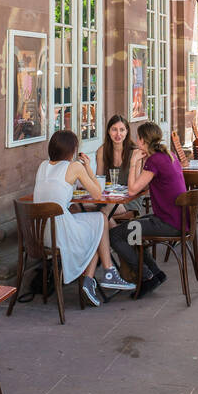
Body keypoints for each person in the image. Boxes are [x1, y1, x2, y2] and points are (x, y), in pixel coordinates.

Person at [34, 129, 135, 305]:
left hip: (41, 235)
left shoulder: (43, 166)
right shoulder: (74, 167)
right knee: (101, 221)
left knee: (95, 225)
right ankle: (106, 272)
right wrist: (87, 166)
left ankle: (94, 278)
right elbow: (97, 193)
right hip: (61, 234)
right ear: (73, 150)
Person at [110, 121, 186, 295]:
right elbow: (141, 186)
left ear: (143, 140)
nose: (137, 142)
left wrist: (134, 161)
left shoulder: (155, 161)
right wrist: (139, 164)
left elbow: (132, 190)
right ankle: (156, 273)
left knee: (115, 235)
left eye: (138, 138)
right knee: (134, 228)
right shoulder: (168, 155)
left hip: (168, 223)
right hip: (176, 219)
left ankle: (146, 276)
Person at [96, 114, 143, 218]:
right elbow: (99, 179)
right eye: (114, 129)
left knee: (103, 214)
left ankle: (113, 233)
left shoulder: (135, 152)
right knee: (76, 208)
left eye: (122, 130)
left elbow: (136, 185)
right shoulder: (102, 151)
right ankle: (115, 232)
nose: (118, 134)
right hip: (108, 198)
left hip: (129, 199)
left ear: (127, 132)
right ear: (108, 131)